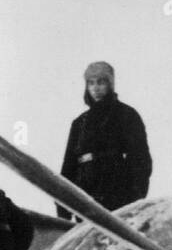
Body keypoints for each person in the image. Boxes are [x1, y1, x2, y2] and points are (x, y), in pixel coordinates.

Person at [57, 61, 152, 218]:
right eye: (91, 83)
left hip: (118, 199)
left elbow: (141, 161)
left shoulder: (126, 115)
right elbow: (68, 168)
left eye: (101, 82)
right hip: (85, 199)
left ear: (110, 84)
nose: (96, 88)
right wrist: (63, 210)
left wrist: (134, 200)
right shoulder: (79, 123)